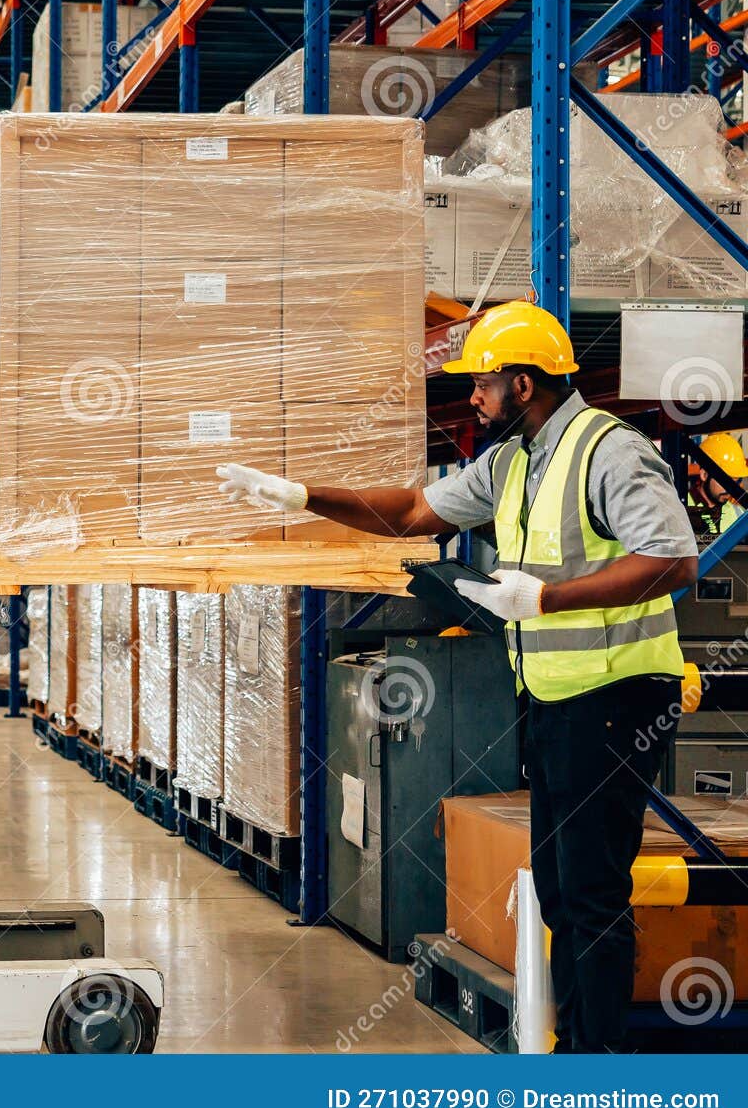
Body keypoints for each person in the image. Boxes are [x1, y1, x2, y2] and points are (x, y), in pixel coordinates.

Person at [216, 300, 698, 1053]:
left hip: (617, 697)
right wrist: (302, 496)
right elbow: (412, 510)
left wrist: (546, 597)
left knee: (593, 891)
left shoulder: (609, 450)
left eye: (483, 381)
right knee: (563, 890)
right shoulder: (514, 461)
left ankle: (602, 1072)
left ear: (527, 383)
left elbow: (673, 559)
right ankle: (578, 1054)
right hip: (557, 699)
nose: (473, 395)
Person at [689, 431, 746, 536]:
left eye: (736, 481)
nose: (730, 489)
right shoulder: (680, 506)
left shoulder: (738, 513)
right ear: (704, 475)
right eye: (726, 481)